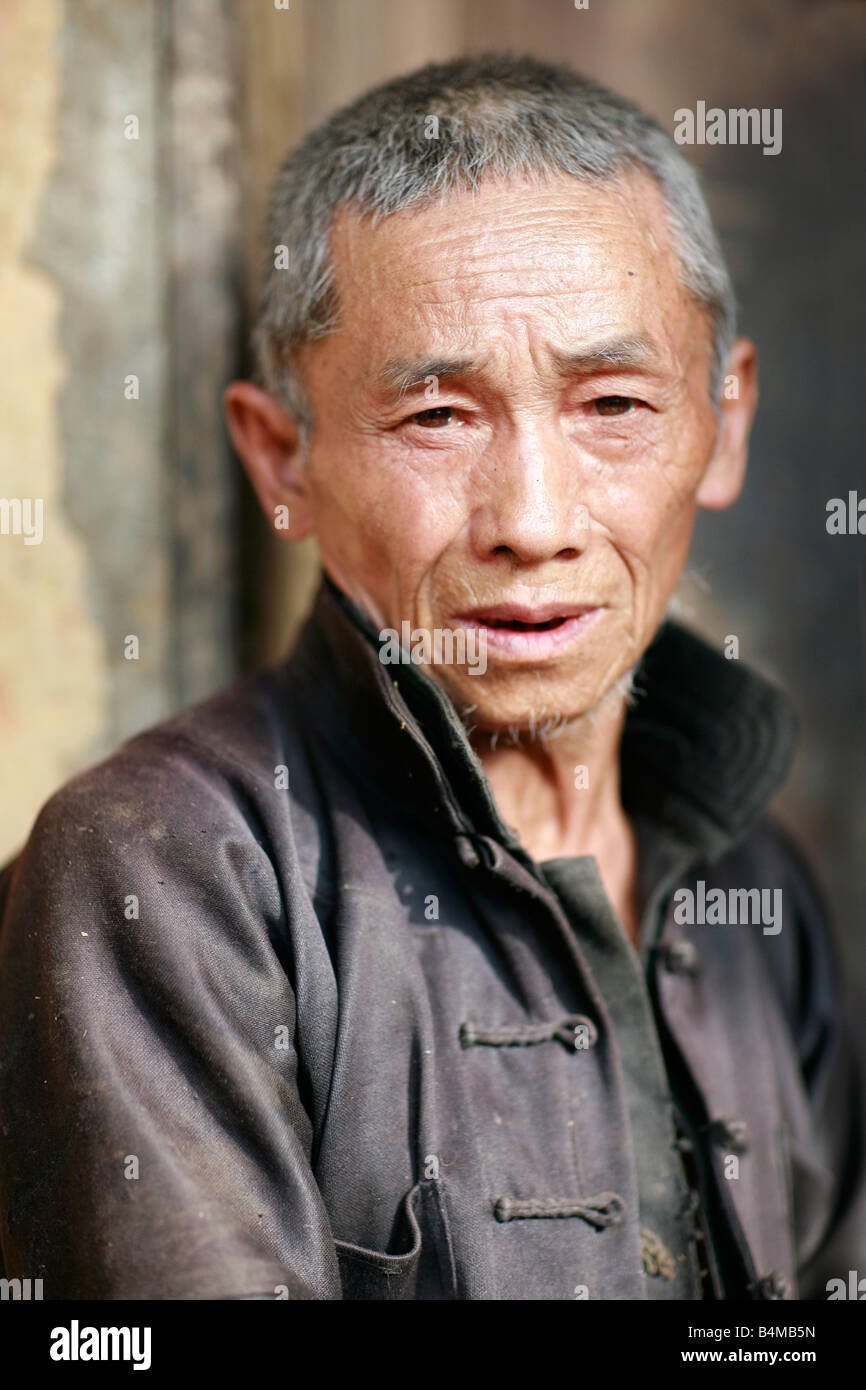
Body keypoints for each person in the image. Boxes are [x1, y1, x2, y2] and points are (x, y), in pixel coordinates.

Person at [1, 53, 863, 1301]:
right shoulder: (162, 877)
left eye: (611, 402)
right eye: (437, 418)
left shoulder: (753, 888)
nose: (531, 519)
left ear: (720, 425)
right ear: (281, 456)